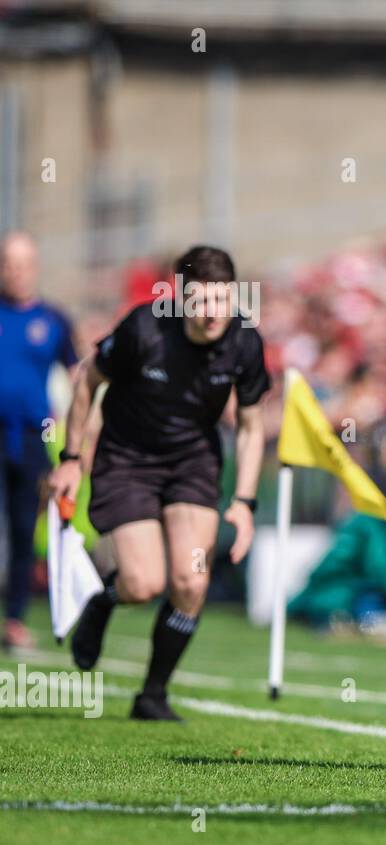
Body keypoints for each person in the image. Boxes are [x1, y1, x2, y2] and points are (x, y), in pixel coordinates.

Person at [48, 246, 270, 720]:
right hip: (127, 459)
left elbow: (251, 426)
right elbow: (88, 380)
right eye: (201, 301)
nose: (212, 313)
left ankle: (152, 695)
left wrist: (244, 500)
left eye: (221, 301)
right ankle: (104, 598)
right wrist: (71, 458)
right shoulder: (144, 329)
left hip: (192, 463)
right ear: (181, 297)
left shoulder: (245, 342)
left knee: (190, 580)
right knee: (144, 583)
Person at [0, 233, 80, 650]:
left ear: (35, 267)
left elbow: (77, 375)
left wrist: (74, 436)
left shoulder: (54, 321)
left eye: (23, 262)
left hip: (31, 439)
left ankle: (13, 619)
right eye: (8, 262)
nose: (16, 270)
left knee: (22, 530)